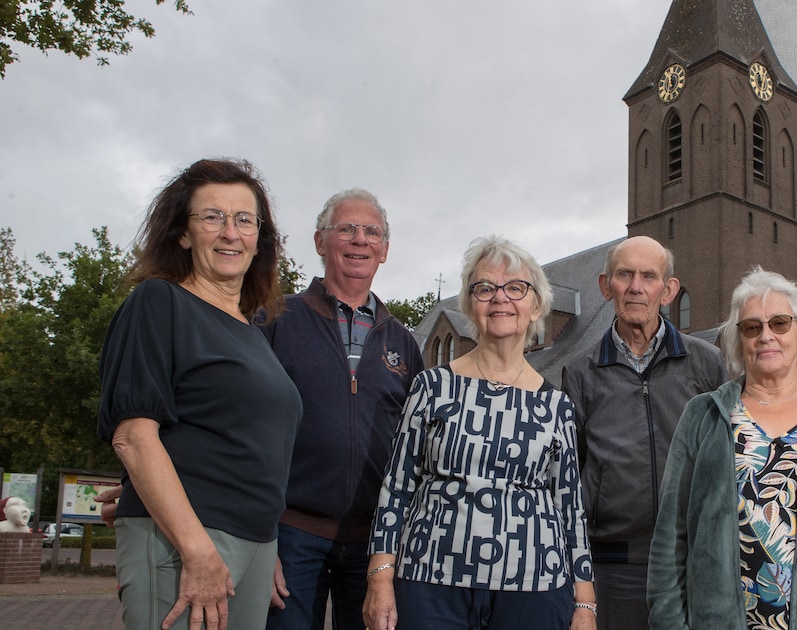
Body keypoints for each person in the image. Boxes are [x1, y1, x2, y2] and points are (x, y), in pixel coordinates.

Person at [97, 158, 303, 629]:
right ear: (183, 234)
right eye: (212, 217)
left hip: (254, 545)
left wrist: (263, 542)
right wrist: (196, 549)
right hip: (192, 542)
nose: (230, 232)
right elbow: (132, 436)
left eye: (244, 220)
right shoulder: (159, 302)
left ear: (259, 241)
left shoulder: (253, 332)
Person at [364, 236, 596, 630]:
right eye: (485, 288)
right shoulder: (432, 386)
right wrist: (380, 577)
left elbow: (569, 506)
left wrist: (585, 602)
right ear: (470, 303)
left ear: (536, 304)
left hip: (534, 587)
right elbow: (397, 487)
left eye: (516, 288)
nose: (500, 298)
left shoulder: (556, 405)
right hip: (431, 582)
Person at [647, 266, 797, 630]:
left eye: (779, 323)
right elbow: (670, 536)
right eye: (752, 327)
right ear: (738, 340)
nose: (766, 336)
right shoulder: (702, 416)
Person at [262, 189, 424, 630]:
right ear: (320, 241)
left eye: (372, 232)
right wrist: (259, 537)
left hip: (373, 544)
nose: (359, 240)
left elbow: (419, 447)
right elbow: (241, 429)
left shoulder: (404, 343)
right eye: (346, 229)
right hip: (290, 534)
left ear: (385, 250)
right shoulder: (275, 319)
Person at [560, 235, 726, 630]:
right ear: (606, 286)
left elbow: (726, 462)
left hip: (691, 562)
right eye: (625, 275)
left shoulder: (707, 363)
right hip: (613, 568)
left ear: (668, 290)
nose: (636, 286)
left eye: (649, 276)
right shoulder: (579, 373)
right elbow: (567, 476)